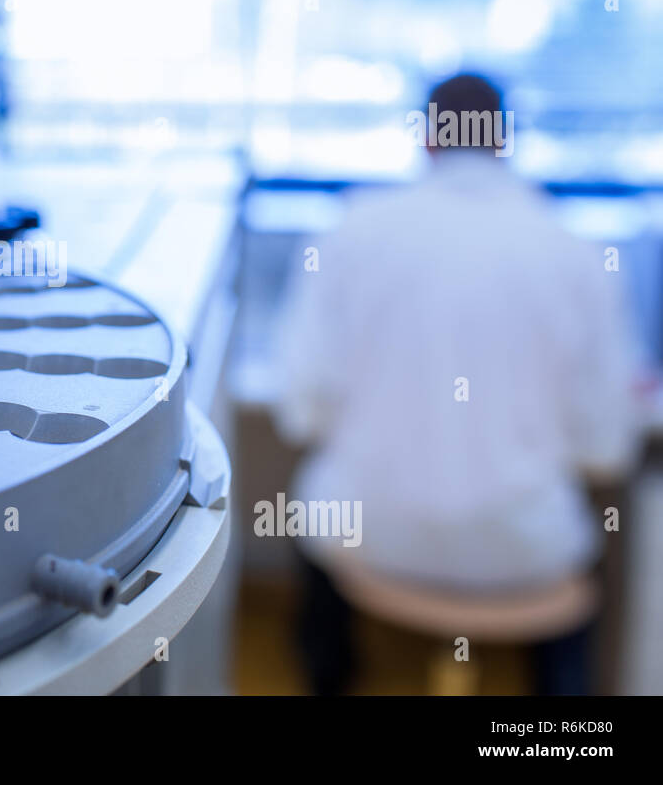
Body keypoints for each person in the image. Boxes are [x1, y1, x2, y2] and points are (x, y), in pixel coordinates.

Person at [272, 73, 644, 695]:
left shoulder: (350, 231)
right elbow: (606, 450)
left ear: (425, 140)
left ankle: (327, 680)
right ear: (506, 142)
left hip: (368, 541)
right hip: (525, 556)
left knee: (316, 511)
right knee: (576, 565)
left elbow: (301, 412)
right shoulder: (580, 253)